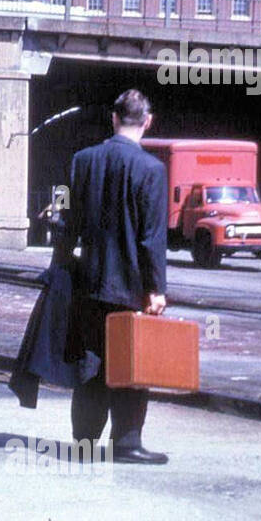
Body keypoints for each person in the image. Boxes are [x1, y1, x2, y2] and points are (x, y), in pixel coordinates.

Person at [58, 89, 169, 465]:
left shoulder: (82, 161)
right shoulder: (151, 170)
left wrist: (62, 267)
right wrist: (156, 289)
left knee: (90, 361)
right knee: (131, 365)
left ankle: (84, 444)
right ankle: (126, 443)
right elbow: (151, 238)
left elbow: (67, 222)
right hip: (132, 288)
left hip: (89, 283)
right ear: (148, 122)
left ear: (114, 118)